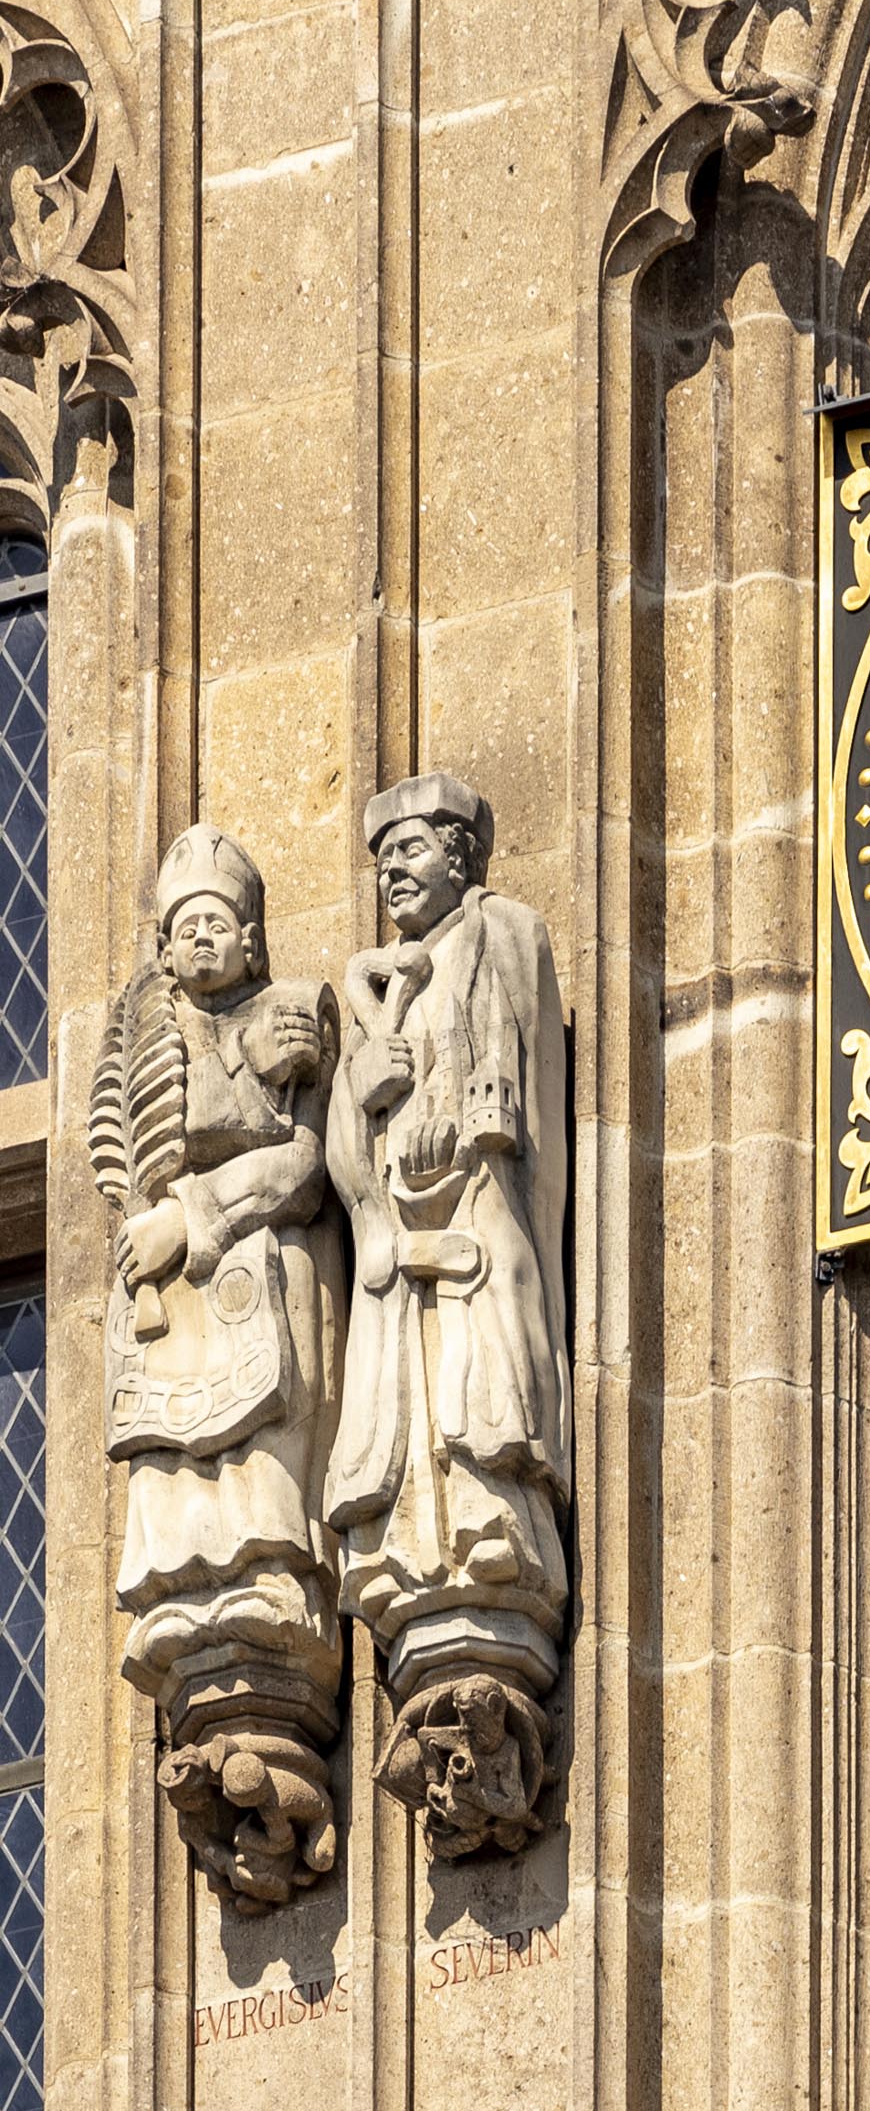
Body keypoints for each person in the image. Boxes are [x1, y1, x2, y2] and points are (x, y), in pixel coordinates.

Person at [88, 826, 343, 1906]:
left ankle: (267, 1594)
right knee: (178, 1474)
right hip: (167, 1304)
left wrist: (193, 1214)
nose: (202, 945)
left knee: (250, 1468)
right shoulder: (151, 1048)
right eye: (183, 929)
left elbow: (301, 1162)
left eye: (218, 926)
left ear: (251, 940)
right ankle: (191, 1607)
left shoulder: (277, 1033)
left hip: (243, 1278)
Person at [325, 772, 570, 1854]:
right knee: (411, 1399)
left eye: (415, 848)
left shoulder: (500, 932)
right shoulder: (380, 989)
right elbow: (347, 1142)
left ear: (461, 860)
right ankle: (421, 1568)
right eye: (384, 857)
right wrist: (364, 1082)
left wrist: (469, 1119)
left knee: (481, 1380)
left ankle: (489, 1547)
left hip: (477, 1201)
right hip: (400, 1241)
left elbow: (509, 1053)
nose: (395, 869)